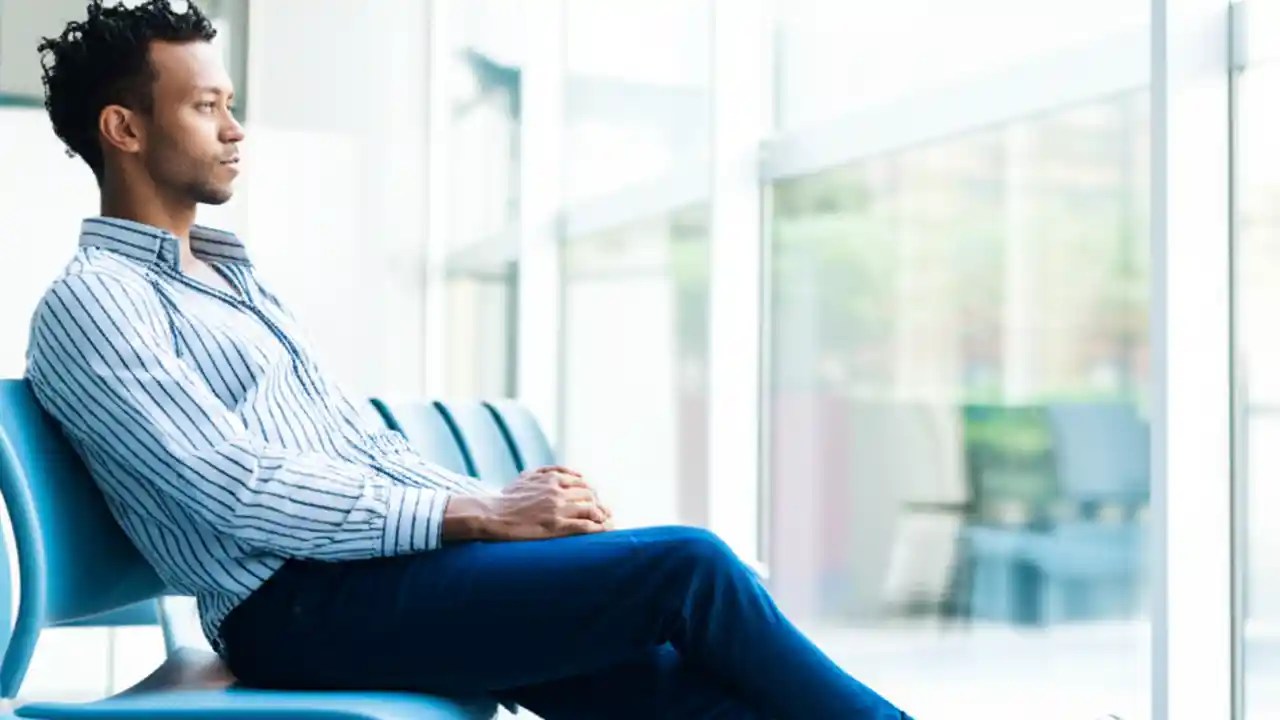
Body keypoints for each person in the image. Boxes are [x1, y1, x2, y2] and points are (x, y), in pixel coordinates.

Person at [25, 2, 911, 718]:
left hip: (370, 581)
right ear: (124, 129)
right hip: (295, 609)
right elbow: (234, 487)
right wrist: (480, 510)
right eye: (206, 106)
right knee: (691, 566)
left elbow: (354, 445)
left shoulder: (227, 276)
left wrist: (521, 523)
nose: (235, 129)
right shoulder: (97, 300)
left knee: (668, 682)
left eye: (231, 104)